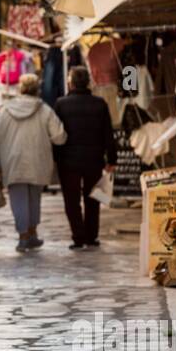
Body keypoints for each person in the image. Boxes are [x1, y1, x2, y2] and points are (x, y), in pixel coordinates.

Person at [0, 73, 67, 253]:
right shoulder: (44, 110)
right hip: (38, 161)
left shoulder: (6, 110)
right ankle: (32, 234)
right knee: (34, 198)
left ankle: (23, 236)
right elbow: (59, 137)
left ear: (20, 89)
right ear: (37, 89)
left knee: (18, 200)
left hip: (12, 162)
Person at [53, 66, 117, 249]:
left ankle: (78, 237)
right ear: (88, 82)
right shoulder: (99, 104)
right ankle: (91, 236)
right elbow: (108, 134)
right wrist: (112, 160)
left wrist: (56, 159)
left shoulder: (61, 104)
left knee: (71, 201)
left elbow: (56, 135)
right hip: (94, 159)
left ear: (71, 83)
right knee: (93, 199)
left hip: (68, 161)